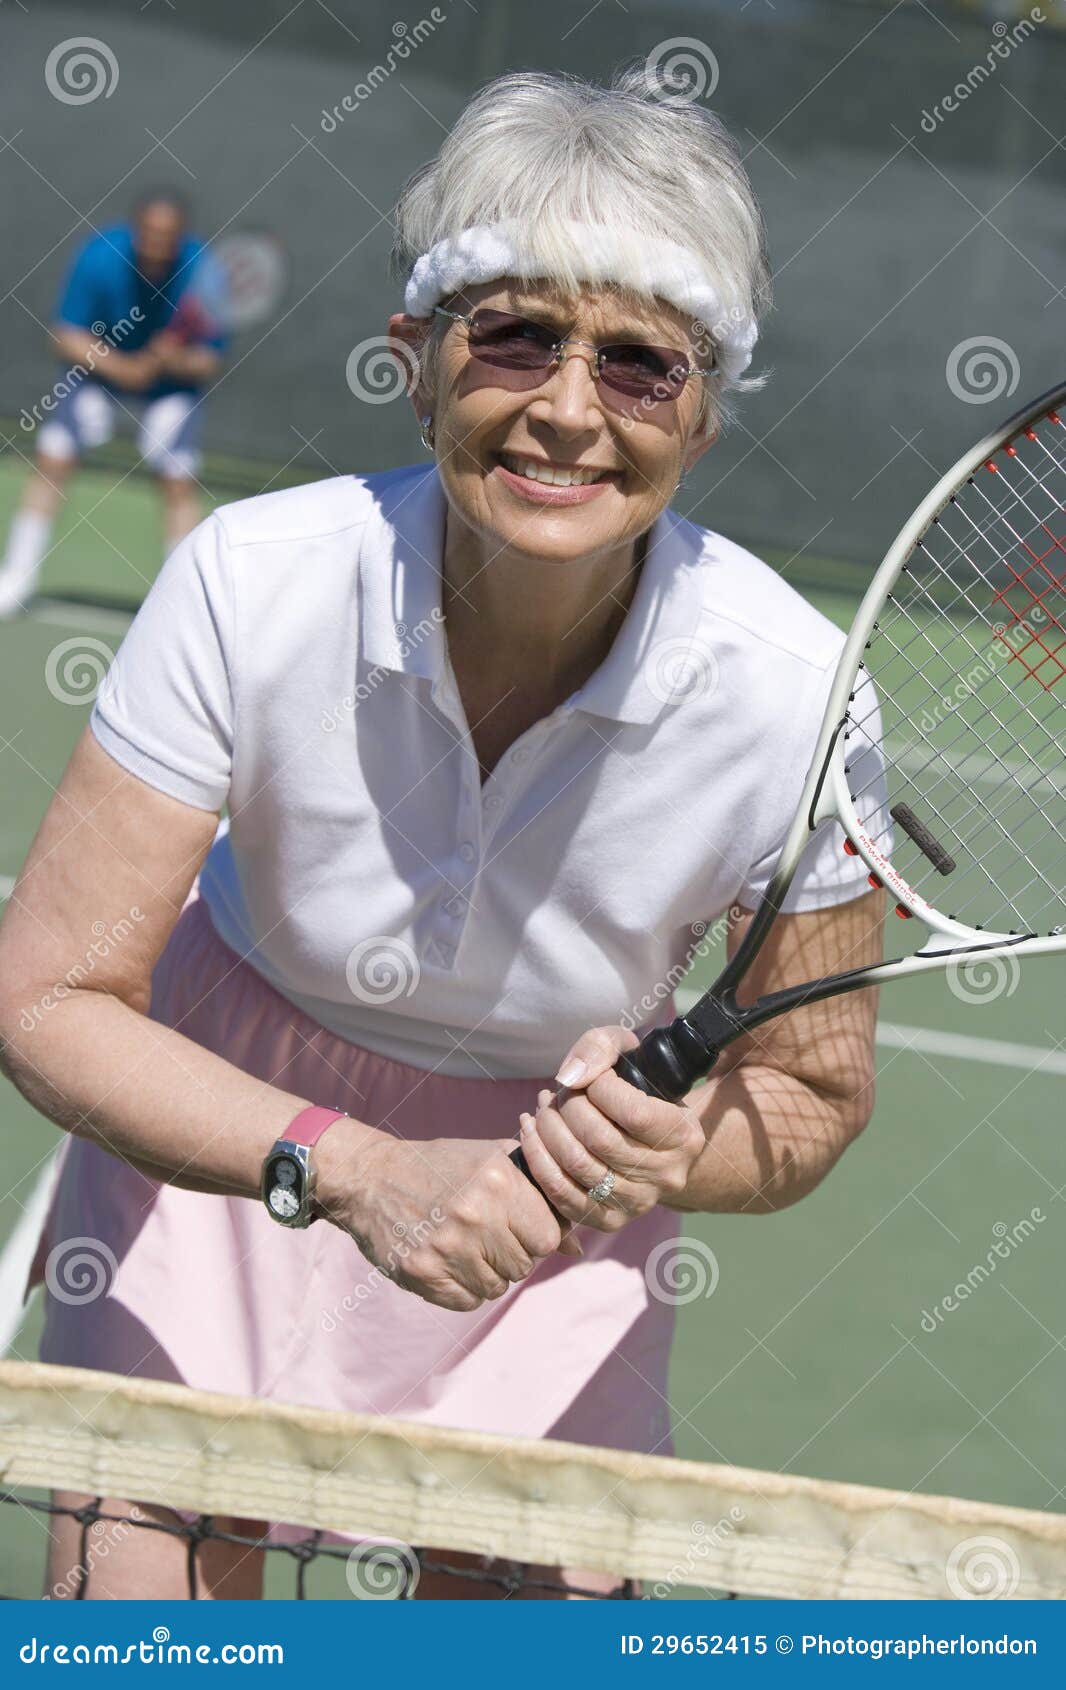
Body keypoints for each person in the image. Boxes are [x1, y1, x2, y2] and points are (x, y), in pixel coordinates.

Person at [0, 67, 884, 1599]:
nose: (567, 408)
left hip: (558, 1231)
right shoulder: (246, 579)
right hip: (220, 1150)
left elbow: (811, 1090)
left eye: (639, 363)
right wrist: (344, 1165)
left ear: (703, 412)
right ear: (415, 360)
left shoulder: (802, 696)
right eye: (517, 334)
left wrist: (675, 1145)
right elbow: (48, 994)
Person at [0, 190, 227, 618]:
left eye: (167, 237)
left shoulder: (204, 273)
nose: (157, 245)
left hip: (170, 389)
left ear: (181, 237)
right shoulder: (99, 256)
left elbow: (209, 359)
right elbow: (64, 336)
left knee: (177, 482)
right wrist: (121, 367)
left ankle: (183, 604)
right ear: (135, 230)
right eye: (150, 234)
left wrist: (174, 360)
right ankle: (16, 577)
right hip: (97, 375)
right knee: (53, 458)